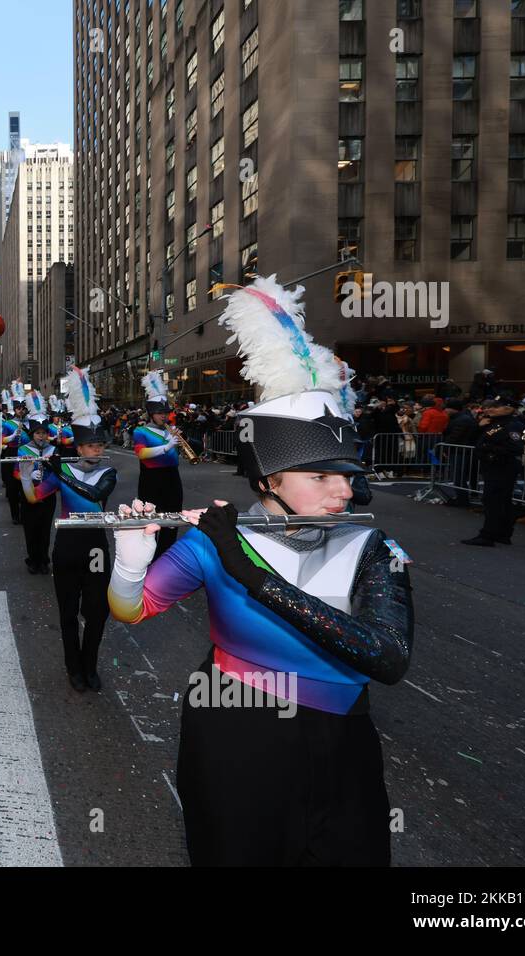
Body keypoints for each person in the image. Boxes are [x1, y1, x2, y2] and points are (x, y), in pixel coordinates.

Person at [108, 277, 413, 866]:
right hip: (233, 731)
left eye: (347, 476)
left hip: (340, 738)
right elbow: (132, 609)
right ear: (269, 479)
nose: (343, 492)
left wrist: (253, 575)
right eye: (321, 477)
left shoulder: (374, 547)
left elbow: (388, 657)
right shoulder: (213, 541)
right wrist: (129, 563)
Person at [46, 367, 117, 692]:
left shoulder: (108, 471)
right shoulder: (60, 468)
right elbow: (36, 497)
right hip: (66, 546)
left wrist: (61, 473)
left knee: (98, 611)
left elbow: (96, 494)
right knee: (67, 612)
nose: (97, 450)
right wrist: (35, 473)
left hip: (95, 548)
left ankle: (90, 666)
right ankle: (73, 667)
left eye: (99, 445)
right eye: (91, 446)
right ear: (79, 447)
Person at [133, 370, 184, 559]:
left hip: (172, 478)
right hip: (151, 480)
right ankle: (149, 559)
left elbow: (175, 455)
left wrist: (180, 444)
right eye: (160, 413)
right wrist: (167, 446)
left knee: (173, 521)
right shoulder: (141, 431)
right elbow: (141, 453)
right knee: (151, 522)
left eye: (166, 413)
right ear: (151, 414)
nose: (164, 416)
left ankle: (165, 557)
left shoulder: (170, 431)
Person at [462, 397, 525, 546]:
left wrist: (488, 451)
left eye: (496, 407)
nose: (490, 409)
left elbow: (516, 447)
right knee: (498, 500)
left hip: (502, 466)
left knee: (494, 500)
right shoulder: (494, 423)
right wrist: (478, 427)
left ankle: (488, 535)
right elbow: (472, 440)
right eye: (490, 406)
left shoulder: (514, 425)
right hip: (493, 466)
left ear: (509, 408)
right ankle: (501, 534)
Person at [16, 391, 59, 574]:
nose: (41, 436)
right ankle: (32, 559)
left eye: (44, 433)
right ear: (32, 434)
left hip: (47, 495)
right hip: (28, 495)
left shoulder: (54, 449)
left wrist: (50, 472)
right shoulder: (23, 449)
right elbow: (16, 473)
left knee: (44, 529)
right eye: (38, 433)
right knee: (31, 529)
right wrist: (29, 474)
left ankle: (43, 560)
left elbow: (59, 474)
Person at [0, 386, 30, 524]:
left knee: (26, 485)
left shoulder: (31, 423)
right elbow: (1, 440)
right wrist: (12, 436)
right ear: (15, 409)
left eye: (23, 408)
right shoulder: (8, 423)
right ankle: (15, 515)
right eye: (18, 408)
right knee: (12, 487)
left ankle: (24, 512)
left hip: (27, 454)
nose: (21, 411)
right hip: (11, 454)